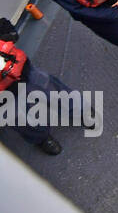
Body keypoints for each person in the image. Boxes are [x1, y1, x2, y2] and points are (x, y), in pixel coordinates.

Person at [0, 19, 89, 156]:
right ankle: (41, 138)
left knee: (53, 92)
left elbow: (6, 27)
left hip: (23, 71)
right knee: (20, 119)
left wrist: (7, 36)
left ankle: (79, 111)